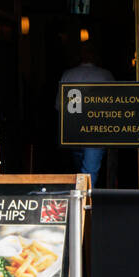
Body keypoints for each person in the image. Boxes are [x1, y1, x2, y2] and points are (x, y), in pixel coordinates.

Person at [57, 40, 114, 182]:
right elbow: (115, 106)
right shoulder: (105, 76)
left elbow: (60, 107)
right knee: (89, 172)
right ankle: (85, 196)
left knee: (82, 171)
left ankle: (82, 195)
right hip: (96, 131)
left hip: (73, 131)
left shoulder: (68, 75)